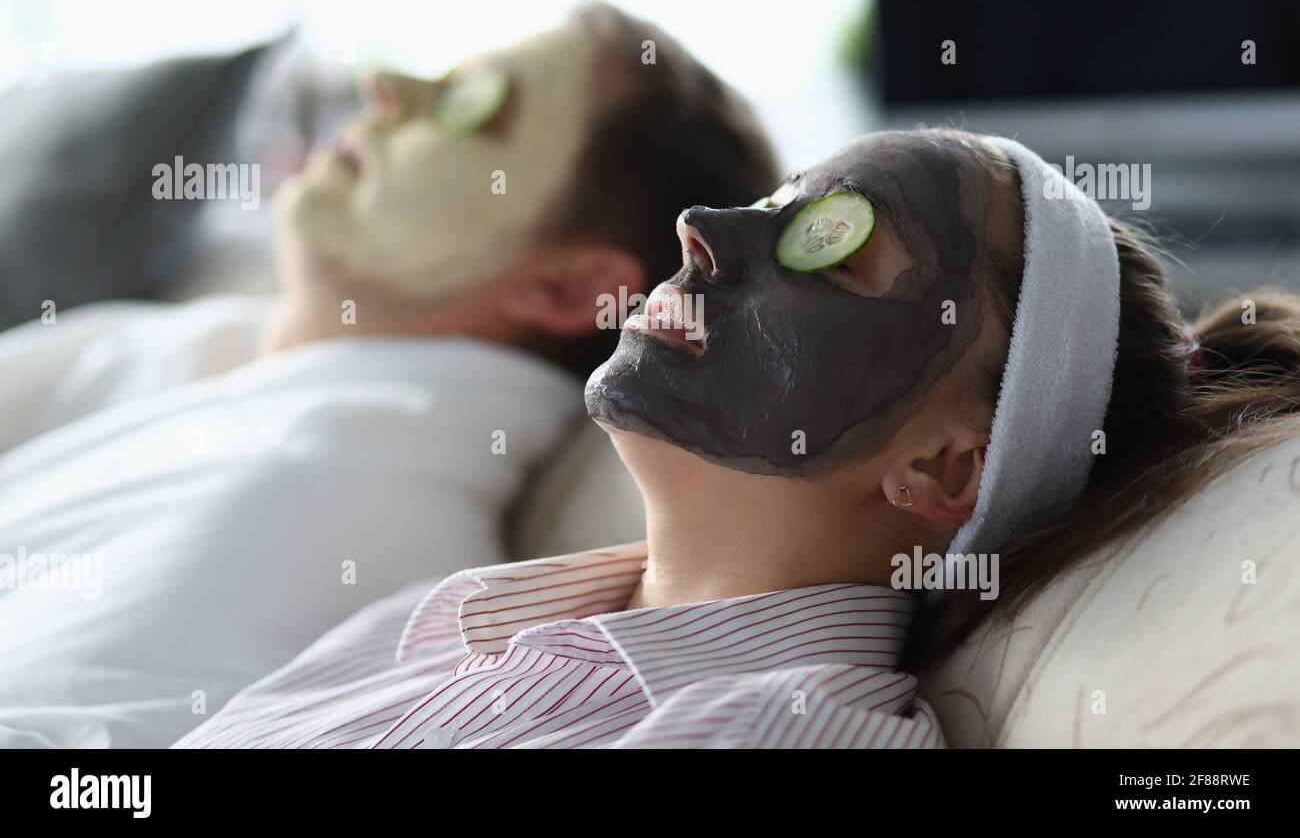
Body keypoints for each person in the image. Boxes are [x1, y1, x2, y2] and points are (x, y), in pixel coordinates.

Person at [177, 126, 1300, 748]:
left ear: (943, 465)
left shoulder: (786, 733)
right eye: (771, 201)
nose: (703, 232)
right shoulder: (447, 616)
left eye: (827, 245)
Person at [0, 2, 778, 748]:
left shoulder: (316, 498)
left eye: (477, 108)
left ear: (566, 288)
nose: (387, 87)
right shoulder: (212, 348)